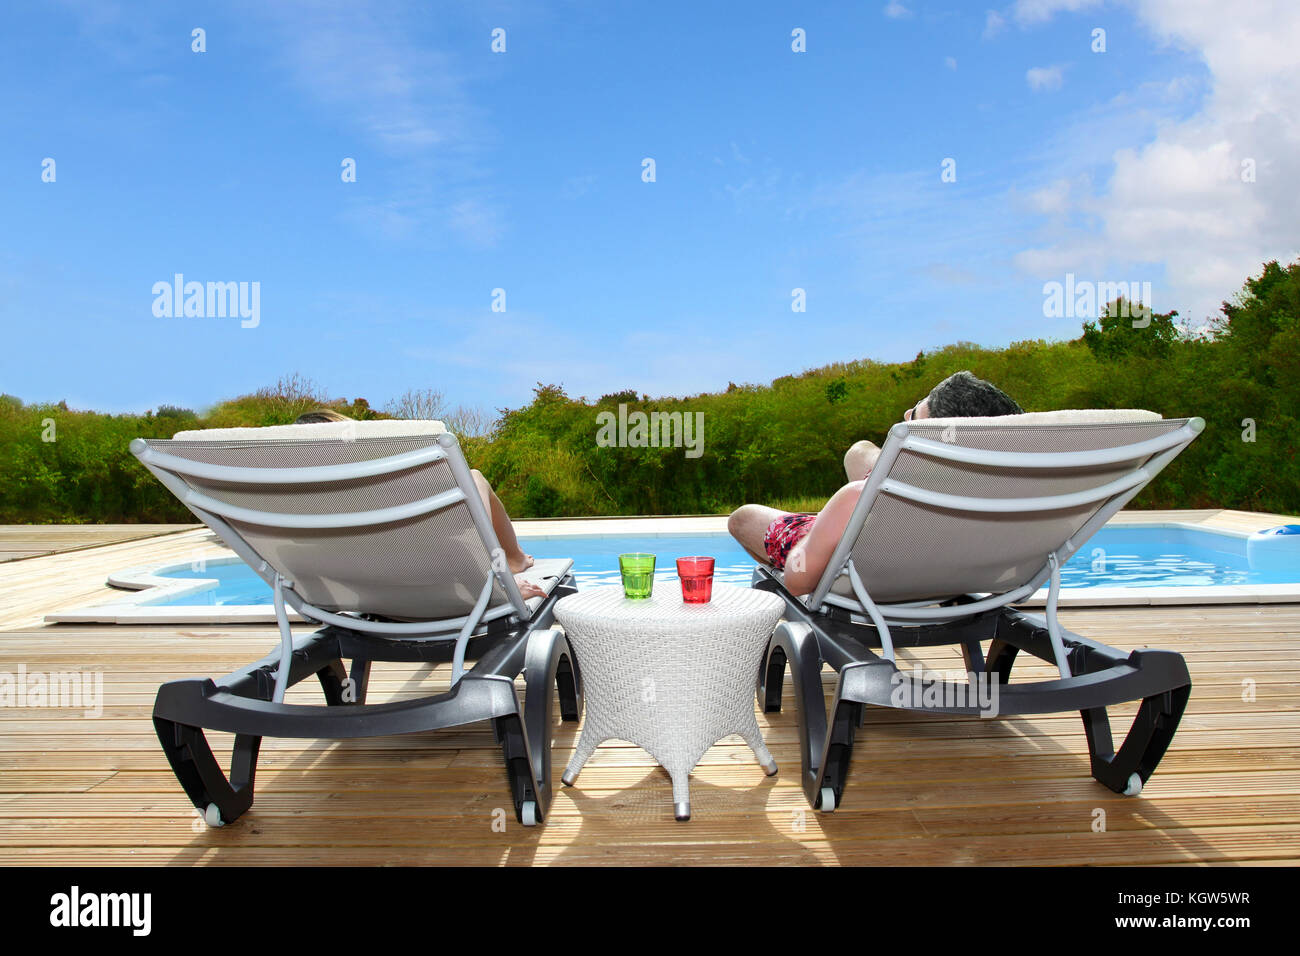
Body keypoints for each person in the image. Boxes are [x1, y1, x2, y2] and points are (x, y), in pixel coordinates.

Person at [727, 371, 1023, 596]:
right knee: (860, 452)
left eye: (916, 414)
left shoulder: (853, 500)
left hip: (862, 549)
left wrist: (824, 529)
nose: (905, 414)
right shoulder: (1007, 489)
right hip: (937, 550)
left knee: (743, 517)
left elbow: (797, 581)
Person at [294, 409, 546, 600]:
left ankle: (514, 560)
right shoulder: (373, 494)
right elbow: (451, 550)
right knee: (474, 477)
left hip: (365, 601)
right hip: (422, 595)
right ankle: (513, 561)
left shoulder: (297, 515)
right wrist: (500, 590)